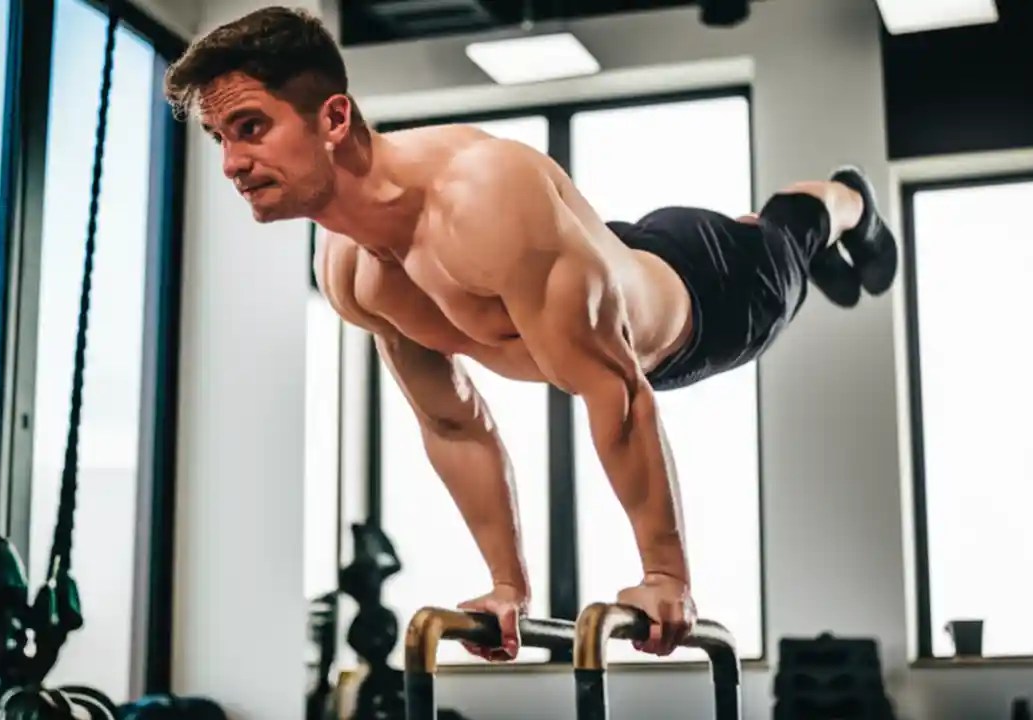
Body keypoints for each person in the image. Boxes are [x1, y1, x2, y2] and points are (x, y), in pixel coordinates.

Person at [163, 7, 897, 662]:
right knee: (611, 277)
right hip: (610, 263)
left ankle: (846, 204)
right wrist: (506, 586)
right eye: (220, 137)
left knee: (783, 234)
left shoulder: (479, 201)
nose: (231, 163)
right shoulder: (352, 272)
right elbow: (454, 422)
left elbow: (619, 393)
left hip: (710, 303)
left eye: (251, 128)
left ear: (331, 119)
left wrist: (667, 576)